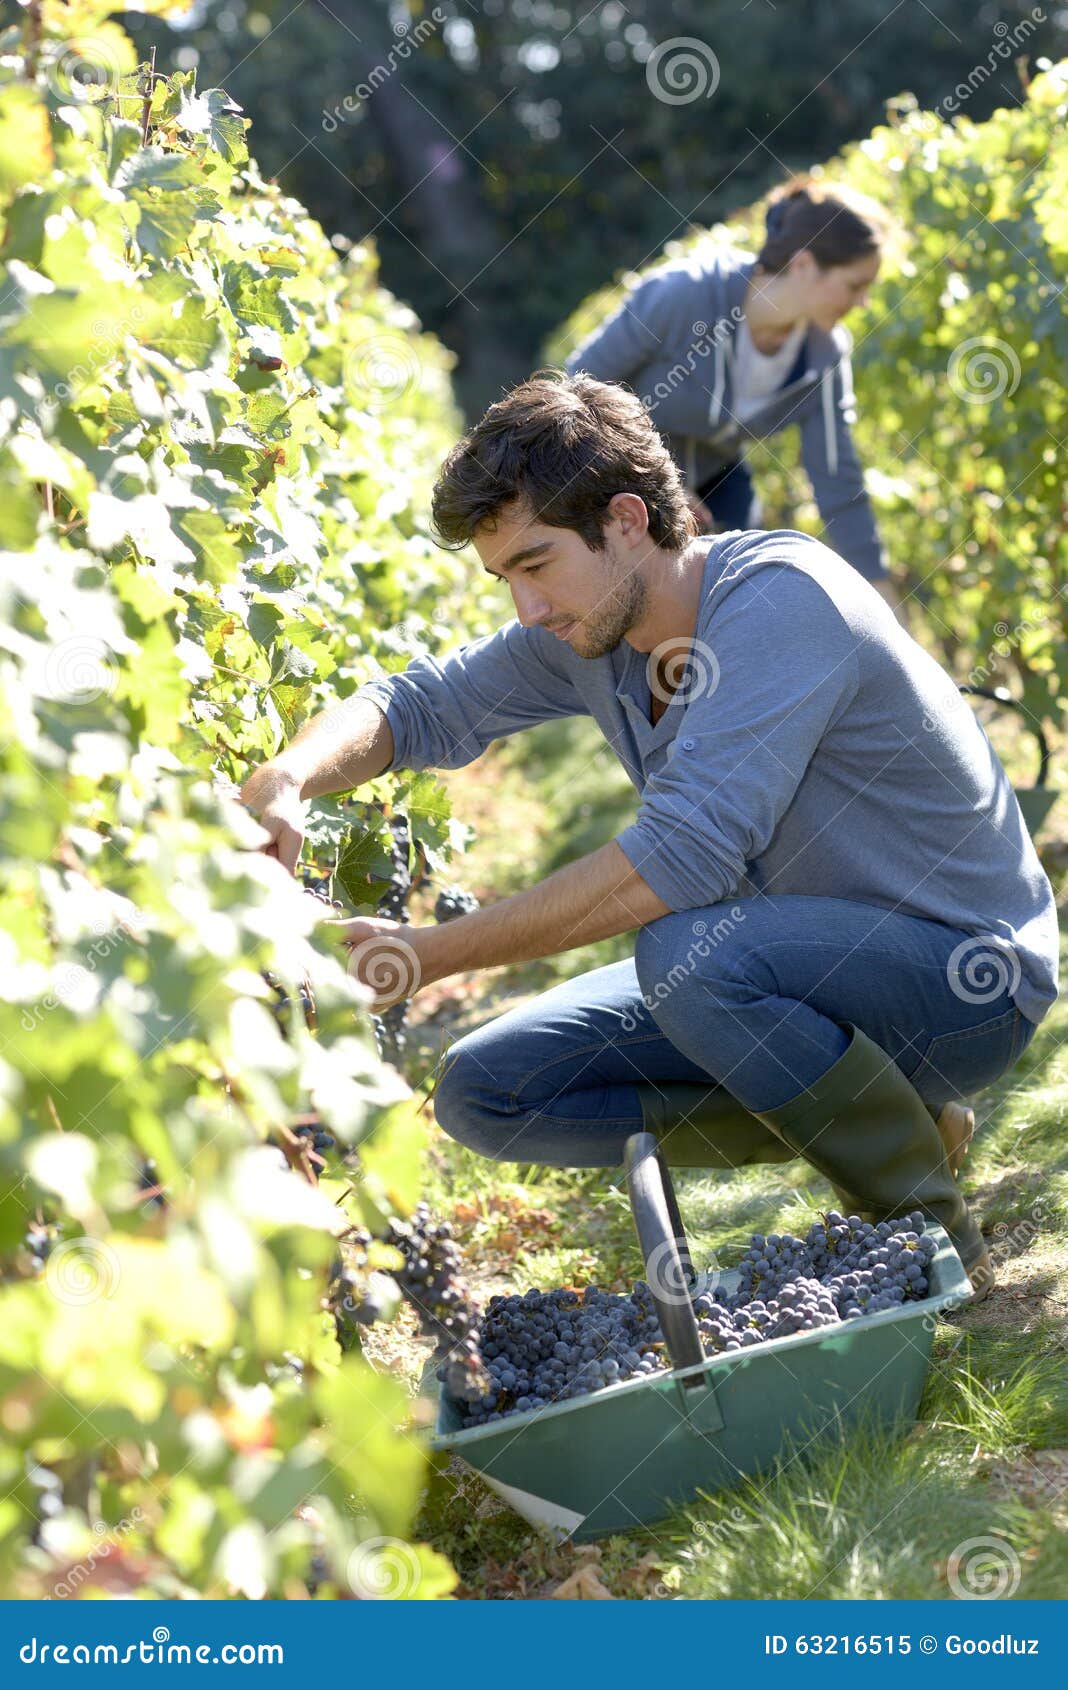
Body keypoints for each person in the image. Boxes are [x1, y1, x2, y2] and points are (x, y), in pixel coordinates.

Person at [239, 372, 1059, 1300]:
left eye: (537, 564)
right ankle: (900, 1117)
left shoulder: (784, 604)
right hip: (795, 966)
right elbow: (421, 703)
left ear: (627, 520)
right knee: (485, 1091)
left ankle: (931, 1236)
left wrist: (426, 954)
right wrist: (287, 776)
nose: (528, 610)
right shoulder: (595, 632)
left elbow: (680, 860)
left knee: (688, 953)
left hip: (963, 982)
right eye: (506, 578)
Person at [564, 178, 901, 611]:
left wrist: (881, 592)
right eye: (855, 286)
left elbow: (837, 476)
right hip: (617, 473)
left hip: (717, 477)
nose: (864, 302)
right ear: (803, 265)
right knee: (635, 599)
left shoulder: (825, 353)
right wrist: (653, 479)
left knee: (740, 595)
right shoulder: (686, 295)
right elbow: (575, 388)